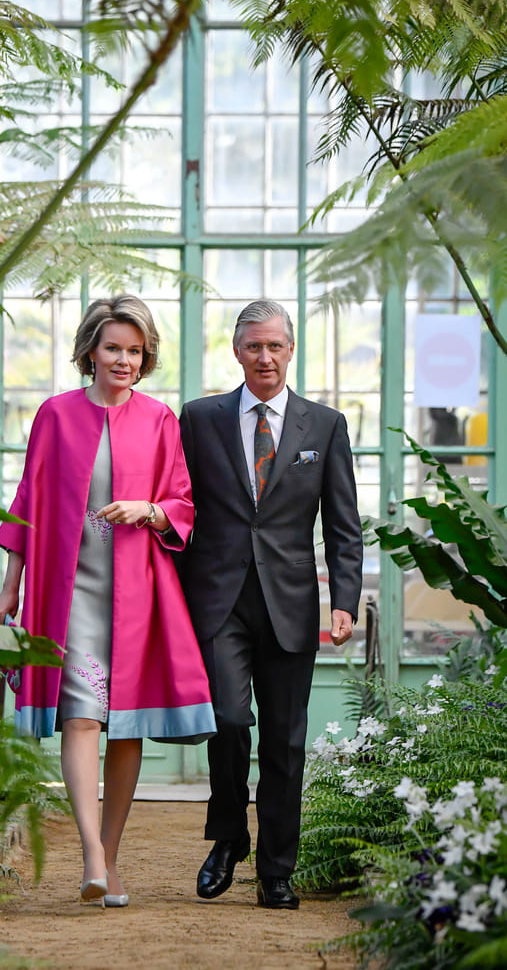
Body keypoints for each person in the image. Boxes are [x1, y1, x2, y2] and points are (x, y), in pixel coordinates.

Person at [0, 295, 215, 908]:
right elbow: (28, 498)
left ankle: (110, 857)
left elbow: (182, 503)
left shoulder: (160, 419)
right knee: (82, 718)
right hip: (70, 596)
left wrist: (149, 510)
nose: (124, 360)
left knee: (126, 726)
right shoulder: (55, 415)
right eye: (113, 347)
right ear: (90, 350)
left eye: (135, 351)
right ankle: (91, 853)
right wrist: (11, 582)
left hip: (138, 594)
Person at [178, 299, 363, 910]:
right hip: (218, 601)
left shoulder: (325, 425)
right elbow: (179, 506)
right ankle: (229, 835)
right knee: (228, 721)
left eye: (275, 346)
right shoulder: (199, 418)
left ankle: (277, 871)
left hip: (290, 604)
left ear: (291, 350)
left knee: (284, 742)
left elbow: (343, 524)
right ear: (237, 352)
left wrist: (344, 599)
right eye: (254, 346)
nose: (265, 357)